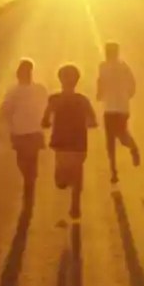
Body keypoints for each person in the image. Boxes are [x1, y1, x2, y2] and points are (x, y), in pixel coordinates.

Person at [44, 63, 98, 221]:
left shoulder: (54, 99)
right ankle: (75, 203)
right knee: (78, 172)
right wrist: (90, 123)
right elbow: (93, 120)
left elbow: (45, 119)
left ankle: (68, 187)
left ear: (60, 80)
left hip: (60, 144)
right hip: (79, 143)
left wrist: (45, 123)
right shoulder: (83, 100)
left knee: (61, 179)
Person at [0, 58, 49, 203]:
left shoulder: (36, 89)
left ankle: (29, 184)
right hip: (23, 131)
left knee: (27, 160)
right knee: (25, 161)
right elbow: (6, 110)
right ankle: (30, 180)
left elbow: (5, 110)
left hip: (29, 131)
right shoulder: (16, 91)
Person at [96, 41, 140, 185]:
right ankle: (113, 171)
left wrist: (100, 94)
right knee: (112, 139)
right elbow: (101, 82)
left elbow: (132, 83)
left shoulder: (122, 67)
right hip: (113, 107)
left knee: (119, 136)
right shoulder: (106, 66)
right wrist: (128, 95)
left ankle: (133, 148)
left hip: (119, 107)